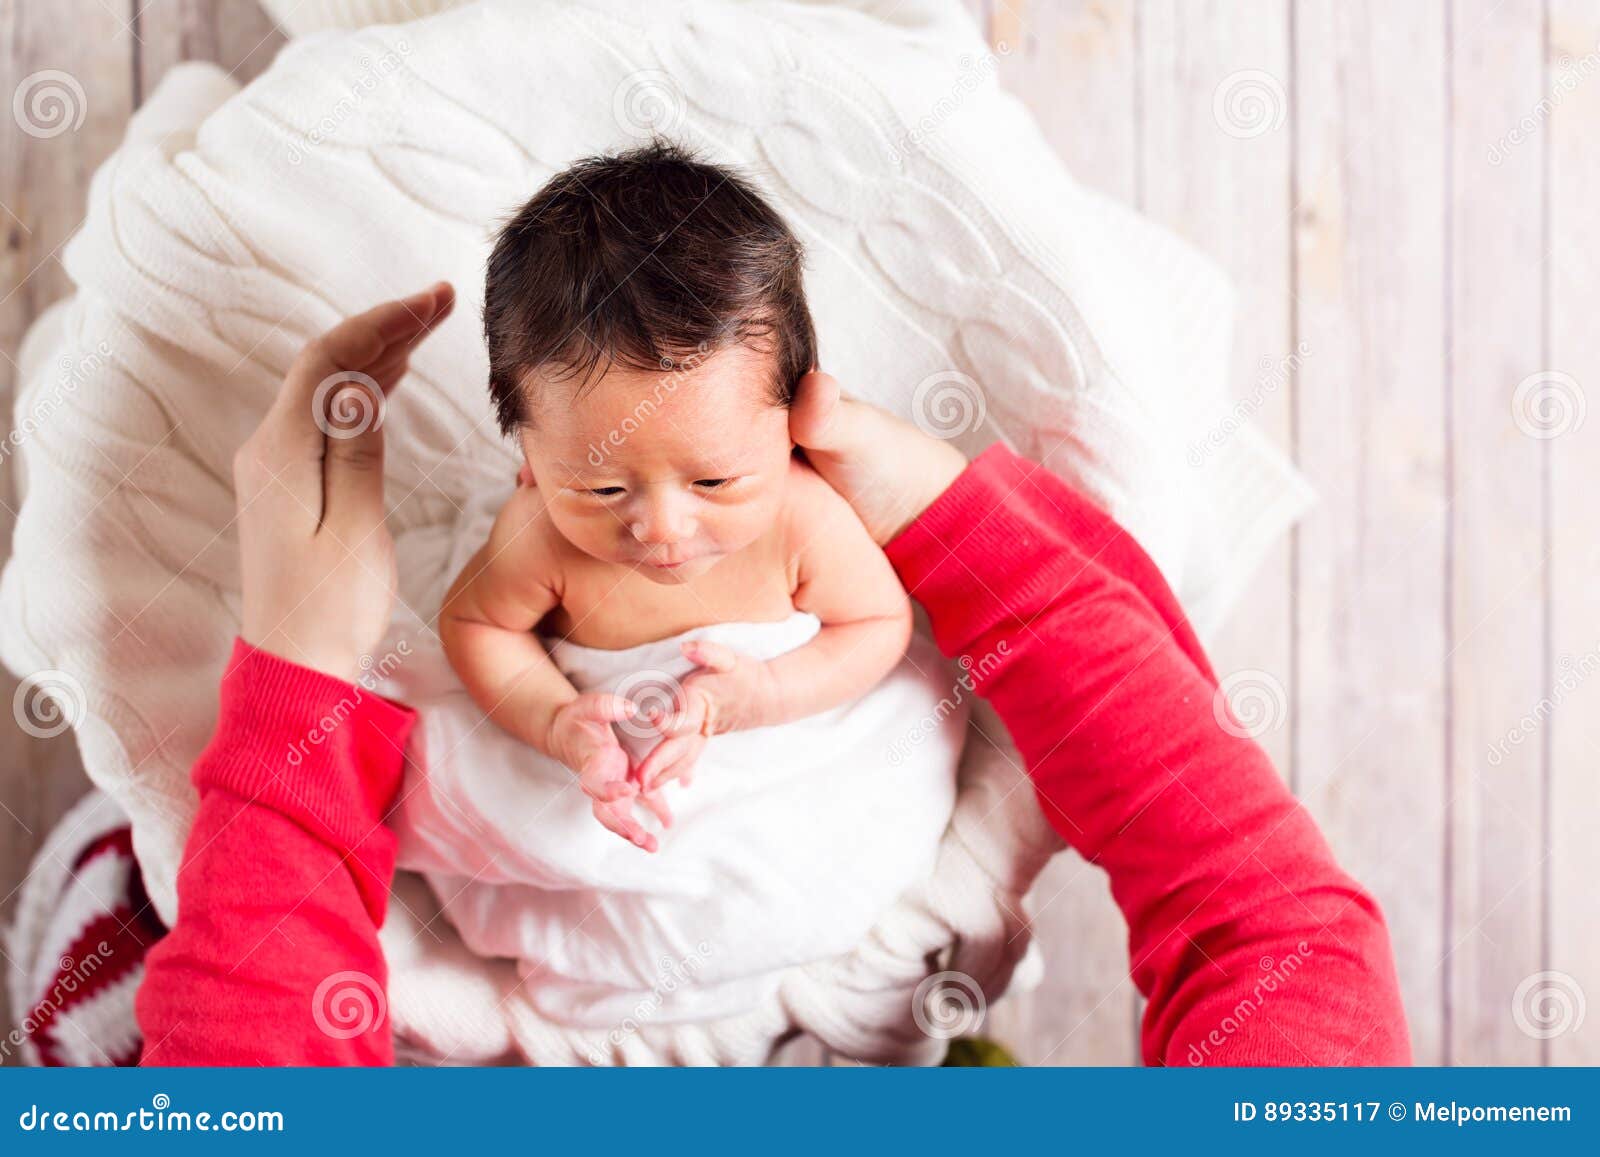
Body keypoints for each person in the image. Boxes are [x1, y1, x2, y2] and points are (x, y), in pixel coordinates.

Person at [134, 284, 1411, 1066]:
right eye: (602, 483)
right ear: (529, 457)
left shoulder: (803, 518)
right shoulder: (531, 532)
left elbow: (867, 632)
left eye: (712, 480)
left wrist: (304, 665)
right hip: (625, 784)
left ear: (782, 432)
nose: (661, 530)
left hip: (736, 785)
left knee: (417, 797)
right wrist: (555, 713)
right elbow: (1274, 932)